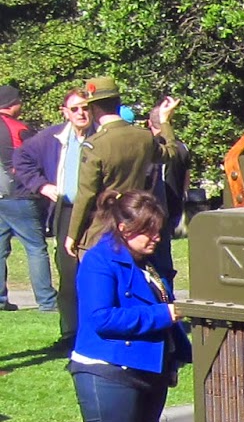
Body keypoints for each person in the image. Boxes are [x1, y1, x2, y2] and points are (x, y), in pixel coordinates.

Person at [67, 188, 188, 422]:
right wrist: (163, 314)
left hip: (146, 371)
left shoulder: (145, 261)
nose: (156, 238)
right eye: (147, 232)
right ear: (123, 227)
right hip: (105, 372)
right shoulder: (100, 261)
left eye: (157, 231)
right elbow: (102, 319)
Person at [64, 77, 176, 255]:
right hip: (135, 223)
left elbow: (86, 194)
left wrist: (73, 234)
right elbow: (170, 153)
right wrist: (165, 122)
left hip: (104, 226)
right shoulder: (144, 137)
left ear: (93, 108)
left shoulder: (94, 145)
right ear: (118, 103)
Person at [14, 90, 91, 341]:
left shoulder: (101, 136)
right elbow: (21, 158)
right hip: (66, 211)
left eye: (86, 107)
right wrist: (42, 186)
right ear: (65, 112)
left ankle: (99, 331)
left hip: (98, 213)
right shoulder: (52, 138)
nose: (82, 113)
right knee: (69, 274)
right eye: (76, 108)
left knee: (100, 271)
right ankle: (70, 332)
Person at [0, 83, 58, 313]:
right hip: (21, 194)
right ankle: (47, 301)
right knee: (35, 248)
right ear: (12, 105)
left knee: (0, 248)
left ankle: (1, 300)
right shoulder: (18, 128)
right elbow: (34, 158)